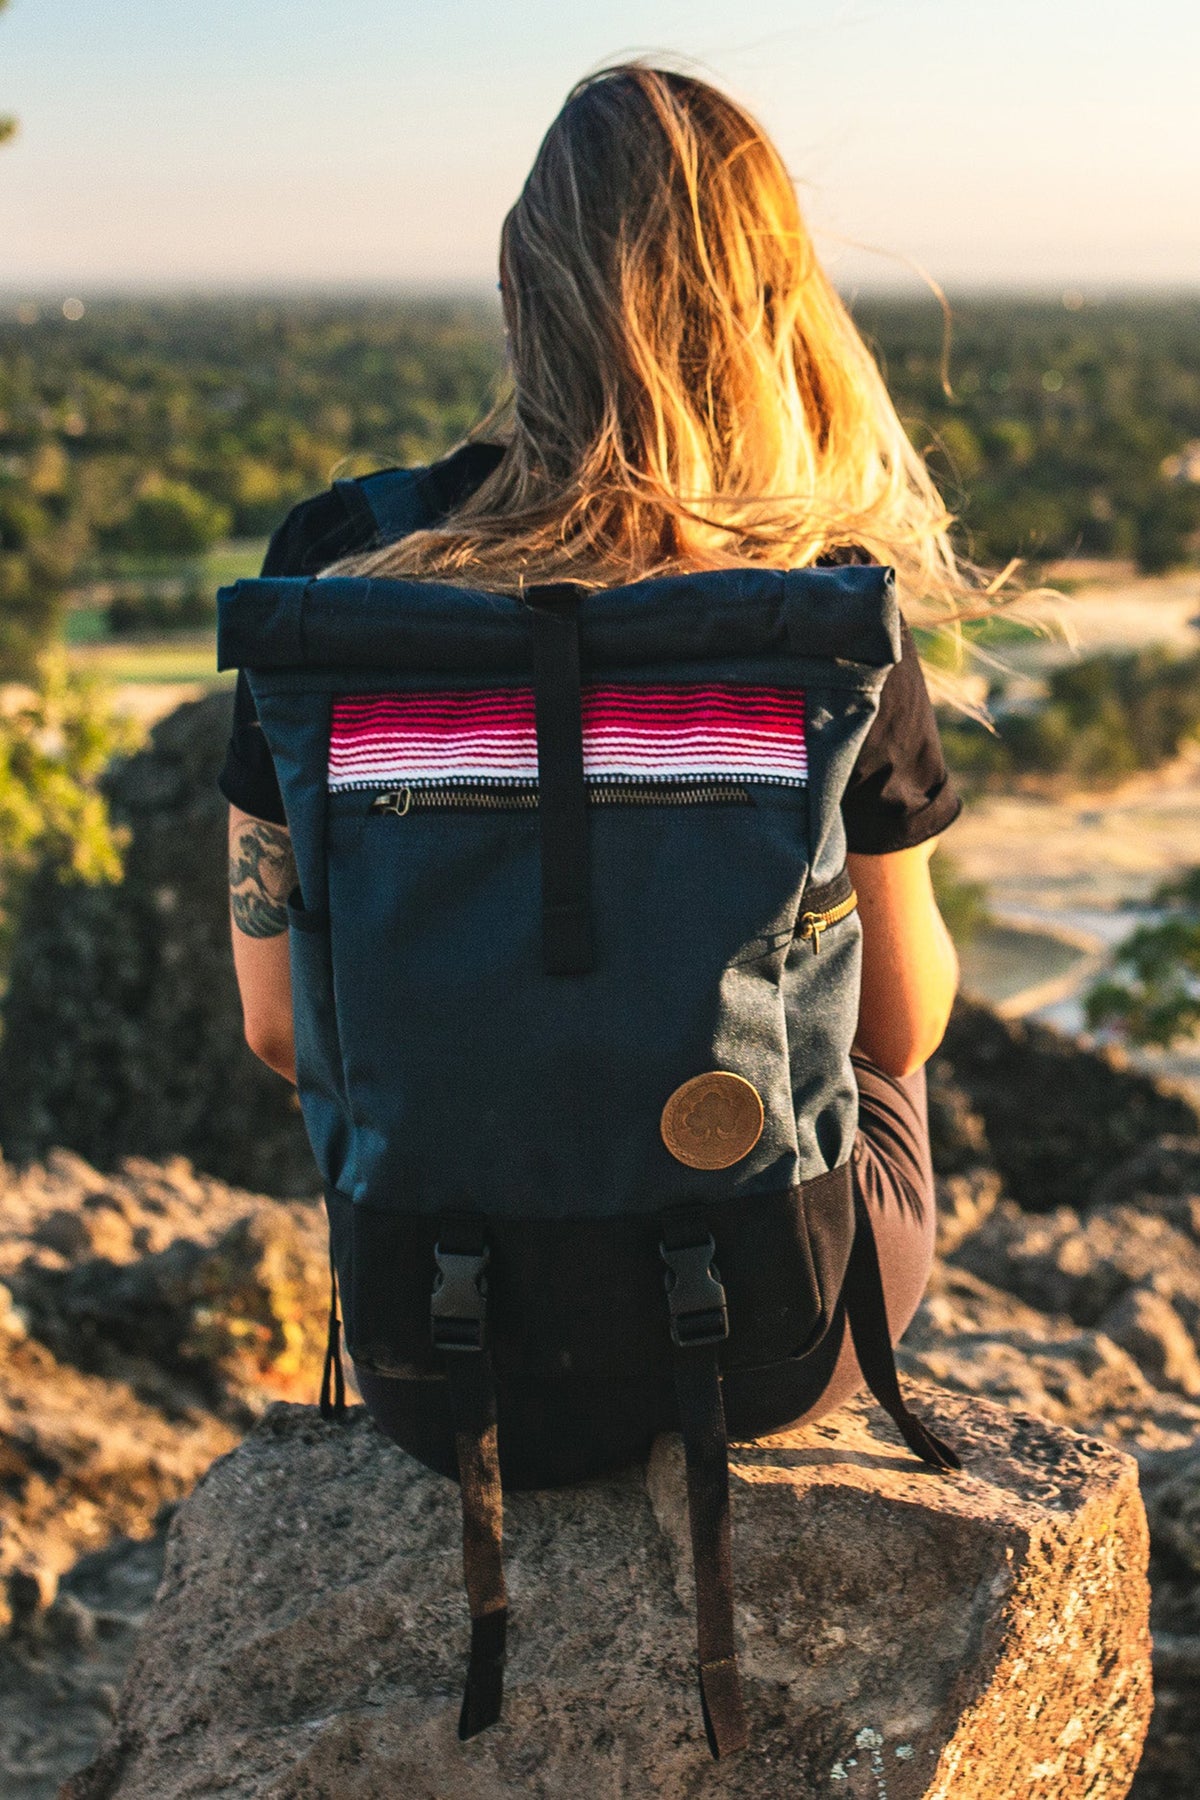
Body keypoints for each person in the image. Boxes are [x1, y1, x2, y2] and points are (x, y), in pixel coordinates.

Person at [221, 64, 965, 1474]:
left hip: (441, 1339)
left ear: (519, 291)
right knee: (883, 1024)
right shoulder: (816, 601)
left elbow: (277, 1027)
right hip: (766, 1336)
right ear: (776, 310)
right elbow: (904, 1028)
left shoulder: (338, 572)